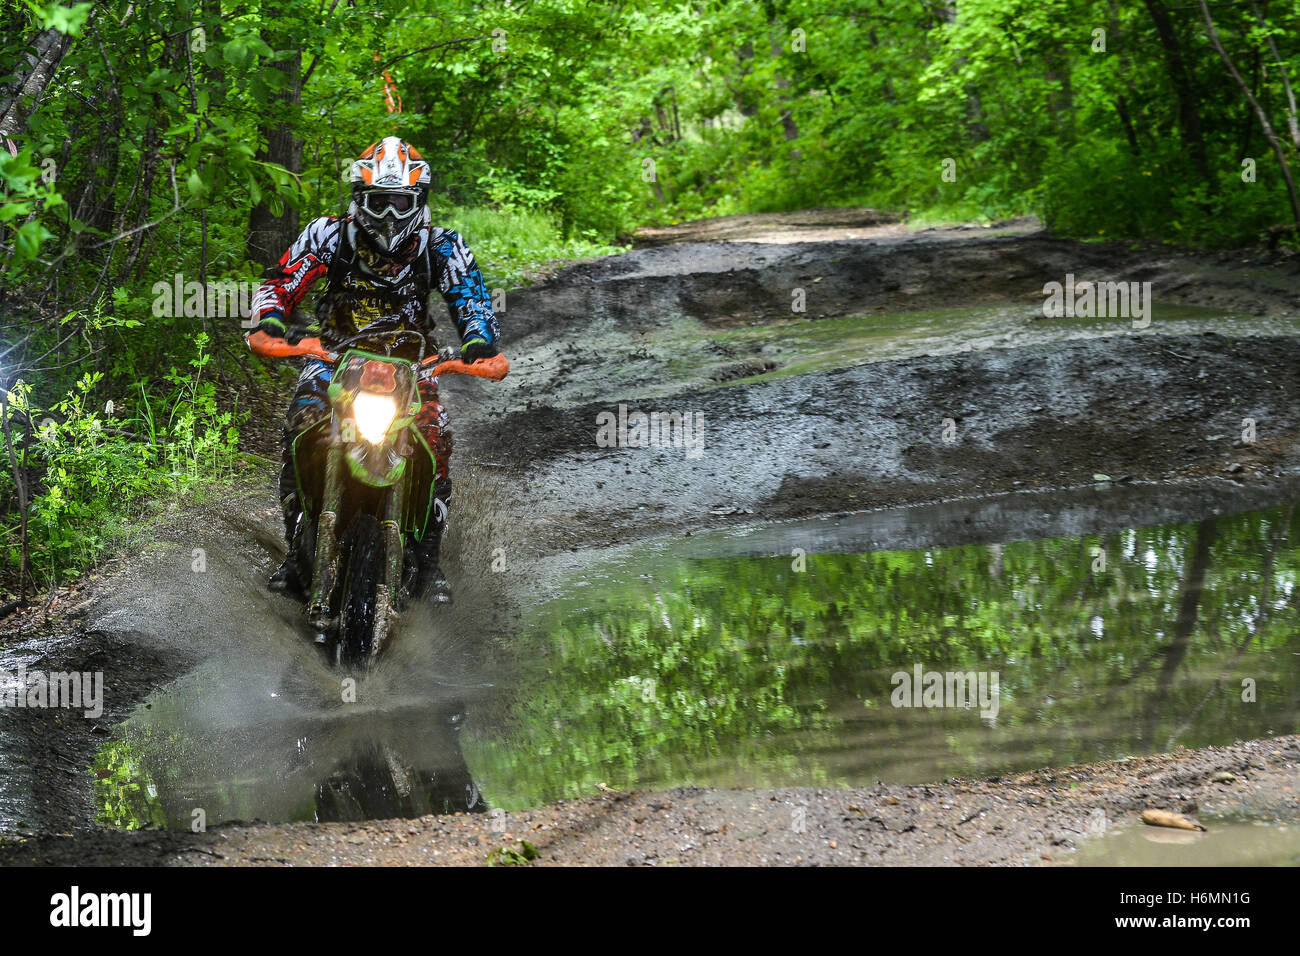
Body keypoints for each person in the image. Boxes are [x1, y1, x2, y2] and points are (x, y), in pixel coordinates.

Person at [245, 136, 499, 605]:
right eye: (379, 201)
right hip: (334, 358)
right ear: (359, 201)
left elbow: (472, 298)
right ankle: (298, 546)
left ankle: (427, 559)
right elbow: (281, 281)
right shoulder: (328, 234)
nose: (388, 213)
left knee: (435, 435)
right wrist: (273, 319)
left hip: (412, 365)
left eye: (399, 201)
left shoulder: (442, 245)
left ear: (418, 201)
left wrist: (479, 343)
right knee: (301, 422)